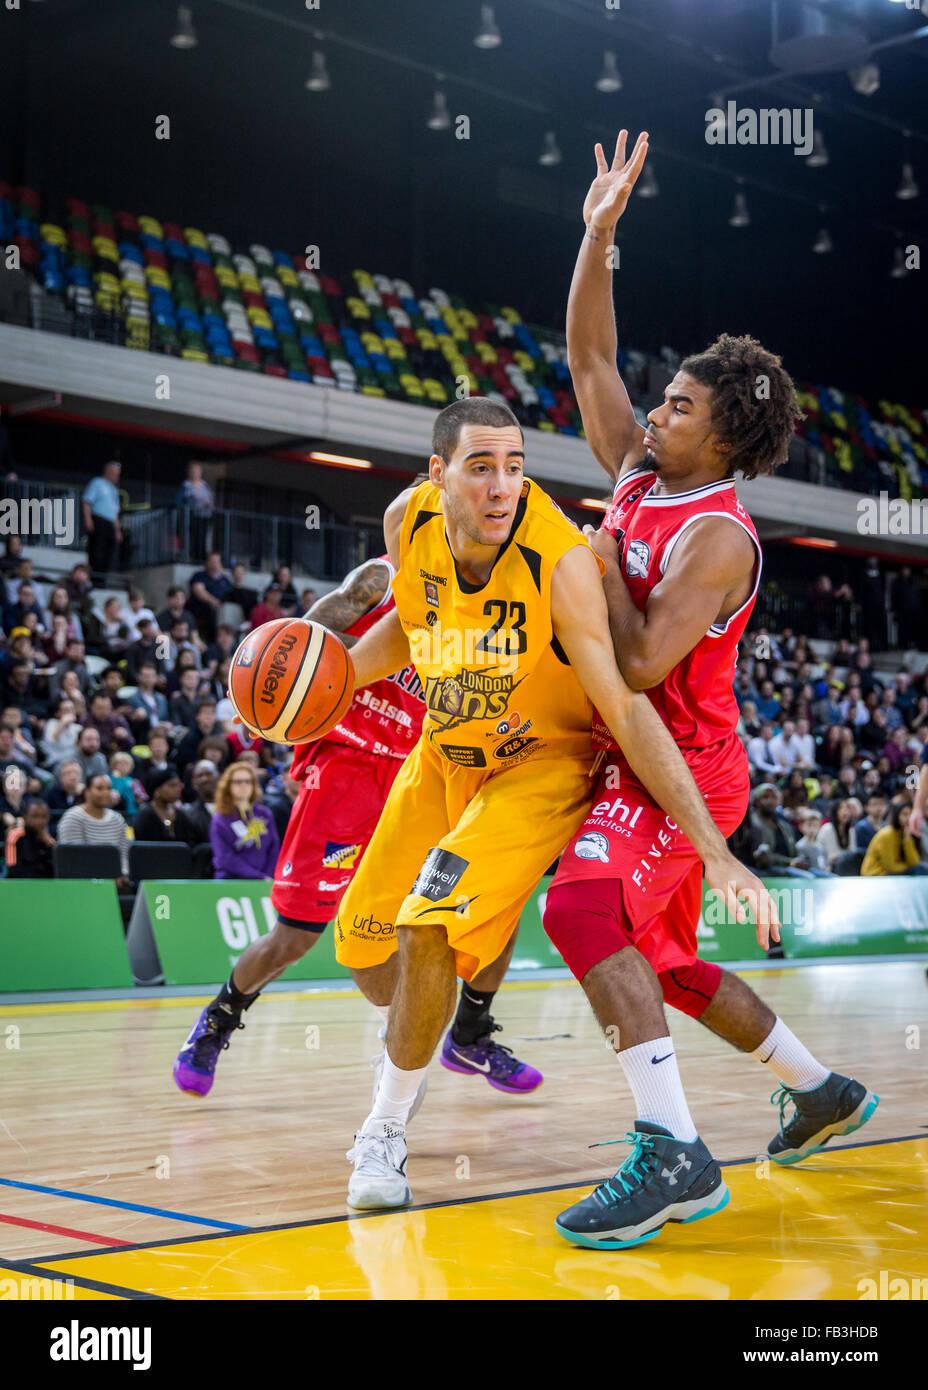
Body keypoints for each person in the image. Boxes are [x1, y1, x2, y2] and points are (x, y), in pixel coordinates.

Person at [315, 392, 774, 1220]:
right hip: (442, 755)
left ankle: (382, 1134)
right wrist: (327, 677)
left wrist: (713, 846)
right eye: (481, 469)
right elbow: (414, 633)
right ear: (437, 475)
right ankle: (456, 1011)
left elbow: (629, 707)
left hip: (538, 765)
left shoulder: (561, 560)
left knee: (429, 924)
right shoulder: (405, 524)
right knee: (369, 960)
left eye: (516, 468)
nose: (502, 489)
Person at [542, 130, 873, 1250]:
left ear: (724, 431)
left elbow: (636, 664)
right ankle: (821, 1089)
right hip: (634, 755)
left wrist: (586, 568)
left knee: (582, 910)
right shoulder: (640, 472)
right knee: (669, 965)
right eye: (666, 399)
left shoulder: (719, 539)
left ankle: (674, 1152)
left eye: (678, 405)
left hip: (685, 768)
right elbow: (590, 361)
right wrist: (597, 237)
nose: (656, 411)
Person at [175, 557, 544, 1099]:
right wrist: (279, 697)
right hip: (347, 766)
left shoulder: (504, 606)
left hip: (428, 770)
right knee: (296, 935)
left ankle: (468, 1030)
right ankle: (218, 1019)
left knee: (493, 907)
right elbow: (313, 631)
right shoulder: (388, 576)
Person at [209, 763, 279, 880]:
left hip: (265, 881)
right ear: (228, 786)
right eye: (238, 782)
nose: (244, 785)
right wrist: (258, 877)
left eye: (248, 781)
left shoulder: (265, 814)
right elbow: (225, 857)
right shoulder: (220, 819)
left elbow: (274, 848)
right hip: (231, 882)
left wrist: (269, 876)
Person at [57, 773, 131, 884]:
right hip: (83, 884)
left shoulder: (118, 819)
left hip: (115, 881)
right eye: (99, 788)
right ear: (87, 792)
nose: (105, 793)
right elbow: (73, 858)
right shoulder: (73, 817)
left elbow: (125, 852)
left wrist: (122, 874)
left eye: (109, 788)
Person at [134, 765, 198, 845]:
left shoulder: (181, 815)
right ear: (157, 790)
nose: (177, 790)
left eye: (178, 786)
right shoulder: (145, 815)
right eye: (172, 786)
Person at [861, 801, 928, 877]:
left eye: (911, 814)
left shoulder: (907, 833)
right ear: (897, 816)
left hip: (893, 873)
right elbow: (891, 866)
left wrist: (907, 839)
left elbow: (915, 862)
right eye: (905, 814)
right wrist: (908, 866)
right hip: (875, 874)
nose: (908, 818)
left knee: (919, 869)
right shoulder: (887, 834)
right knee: (918, 870)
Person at [81, 460, 122, 580]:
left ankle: (102, 579)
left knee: (108, 553)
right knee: (96, 551)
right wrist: (88, 519)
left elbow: (115, 512)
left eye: (118, 474)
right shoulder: (97, 483)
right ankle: (94, 577)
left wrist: (117, 530)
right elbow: (87, 502)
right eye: (114, 473)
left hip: (110, 524)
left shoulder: (114, 490)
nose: (116, 476)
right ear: (107, 471)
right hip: (98, 520)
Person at [5, 798, 55, 878]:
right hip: (19, 886)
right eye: (35, 816)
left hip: (45, 886)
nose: (40, 821)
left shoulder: (50, 838)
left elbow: (57, 869)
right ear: (25, 817)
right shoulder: (15, 836)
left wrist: (49, 845)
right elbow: (13, 869)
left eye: (44, 816)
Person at [189, 552, 232, 642]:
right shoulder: (200, 576)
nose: (214, 564)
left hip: (221, 608)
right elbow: (199, 591)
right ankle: (212, 640)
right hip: (202, 607)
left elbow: (231, 593)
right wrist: (213, 601)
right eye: (212, 561)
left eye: (217, 561)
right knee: (210, 609)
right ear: (207, 562)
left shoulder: (224, 579)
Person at [176, 462, 215, 561]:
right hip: (192, 515)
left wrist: (209, 503)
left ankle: (201, 558)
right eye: (193, 471)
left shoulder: (205, 485)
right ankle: (191, 557)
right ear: (189, 472)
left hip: (204, 516)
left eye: (197, 471)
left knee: (202, 537)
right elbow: (179, 501)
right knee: (192, 537)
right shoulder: (186, 485)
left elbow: (211, 498)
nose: (195, 473)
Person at [816, 798, 859, 871]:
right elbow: (830, 858)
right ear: (835, 811)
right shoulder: (827, 829)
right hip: (829, 869)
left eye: (847, 808)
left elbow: (853, 853)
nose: (845, 812)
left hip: (847, 868)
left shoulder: (851, 831)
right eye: (841, 808)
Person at [42, 759, 84, 830]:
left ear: (81, 777)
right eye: (68, 773)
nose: (73, 777)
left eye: (76, 773)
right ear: (61, 777)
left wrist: (83, 793)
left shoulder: (87, 793)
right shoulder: (51, 793)